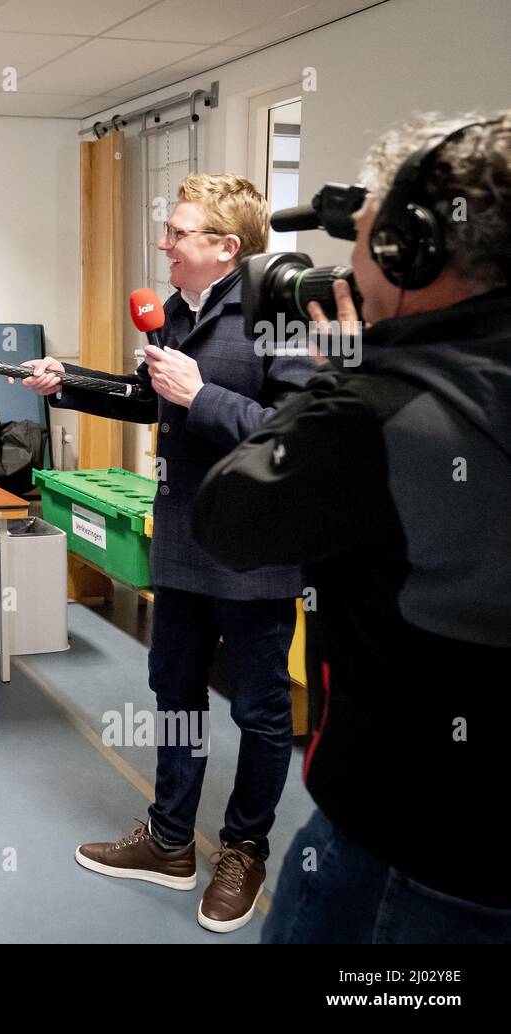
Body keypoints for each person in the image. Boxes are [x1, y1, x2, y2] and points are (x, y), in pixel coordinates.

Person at [194, 113, 511, 942]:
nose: (349, 271)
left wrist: (339, 384)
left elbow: (233, 515)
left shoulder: (383, 412)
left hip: (411, 856)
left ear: (414, 249)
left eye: (364, 243)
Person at [17, 174, 316, 932]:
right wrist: (69, 384)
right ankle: (172, 840)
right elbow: (149, 396)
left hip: (255, 554)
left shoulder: (281, 321)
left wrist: (201, 396)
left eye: (178, 233)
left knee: (259, 711)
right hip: (181, 541)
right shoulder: (179, 314)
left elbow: (299, 436)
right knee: (176, 694)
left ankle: (245, 849)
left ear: (226, 248)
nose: (163, 245)